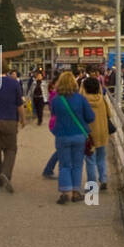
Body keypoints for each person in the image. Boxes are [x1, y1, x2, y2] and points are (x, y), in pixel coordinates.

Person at [48, 71, 92, 203]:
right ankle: (76, 192)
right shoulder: (81, 99)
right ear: (74, 83)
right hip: (79, 135)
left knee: (64, 165)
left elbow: (53, 114)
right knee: (77, 165)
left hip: (62, 136)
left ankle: (65, 192)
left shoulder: (56, 100)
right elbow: (90, 117)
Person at [0, 71, 25, 190]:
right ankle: (5, 172)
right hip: (10, 120)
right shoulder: (14, 83)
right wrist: (23, 119)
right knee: (11, 149)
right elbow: (19, 104)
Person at [82, 76, 112, 193]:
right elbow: (109, 114)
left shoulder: (84, 101)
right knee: (101, 158)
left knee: (90, 161)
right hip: (102, 133)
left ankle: (92, 187)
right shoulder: (102, 99)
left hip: (89, 135)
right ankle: (103, 179)